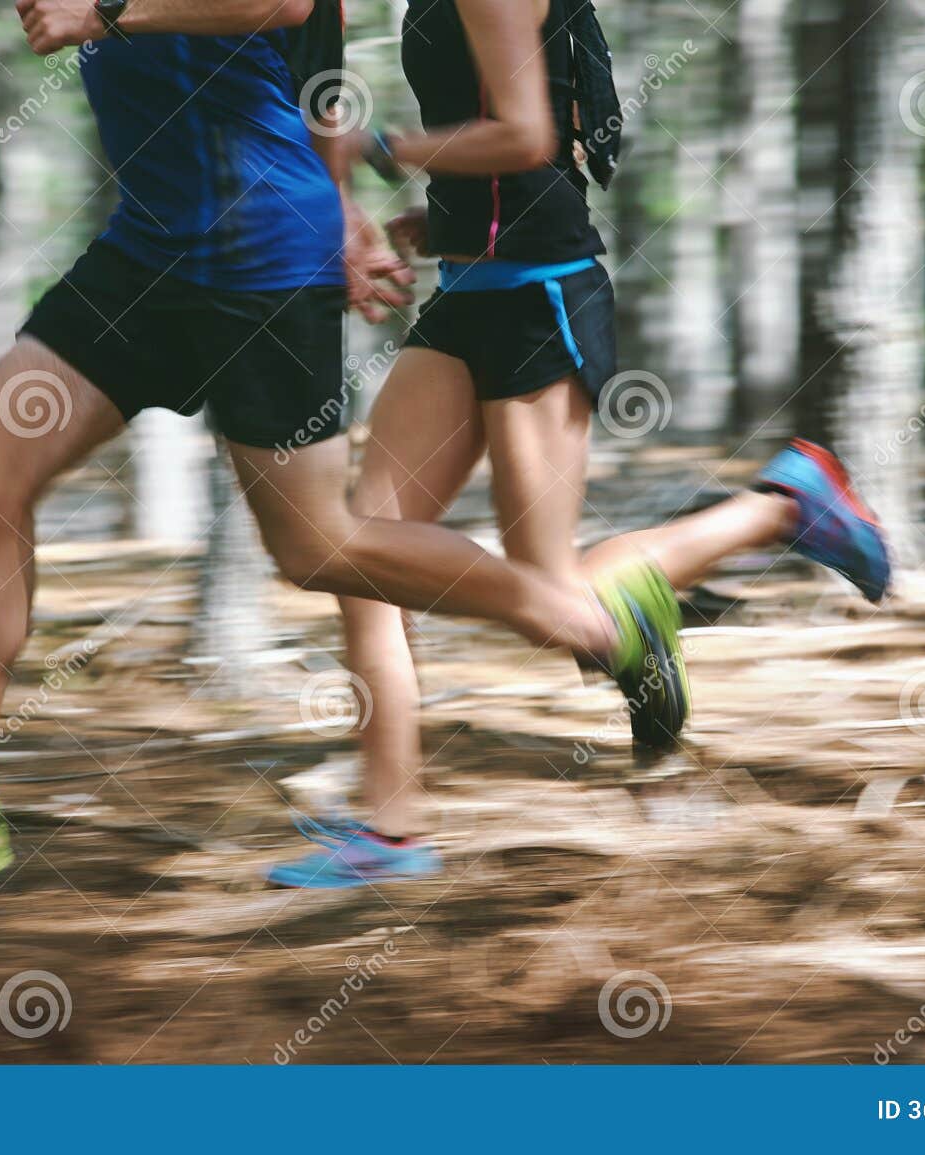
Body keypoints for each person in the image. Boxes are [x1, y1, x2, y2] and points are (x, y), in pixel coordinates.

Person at [0, 0, 688, 887]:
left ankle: (598, 626)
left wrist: (105, 14)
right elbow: (320, 72)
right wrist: (347, 206)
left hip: (258, 260)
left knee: (317, 546)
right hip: (146, 251)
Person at [264, 0, 891, 888]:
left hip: (540, 297)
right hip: (473, 291)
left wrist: (378, 148)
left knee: (546, 590)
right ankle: (392, 828)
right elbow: (509, 149)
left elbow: (526, 136)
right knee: (359, 555)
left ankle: (785, 504)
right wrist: (437, 222)